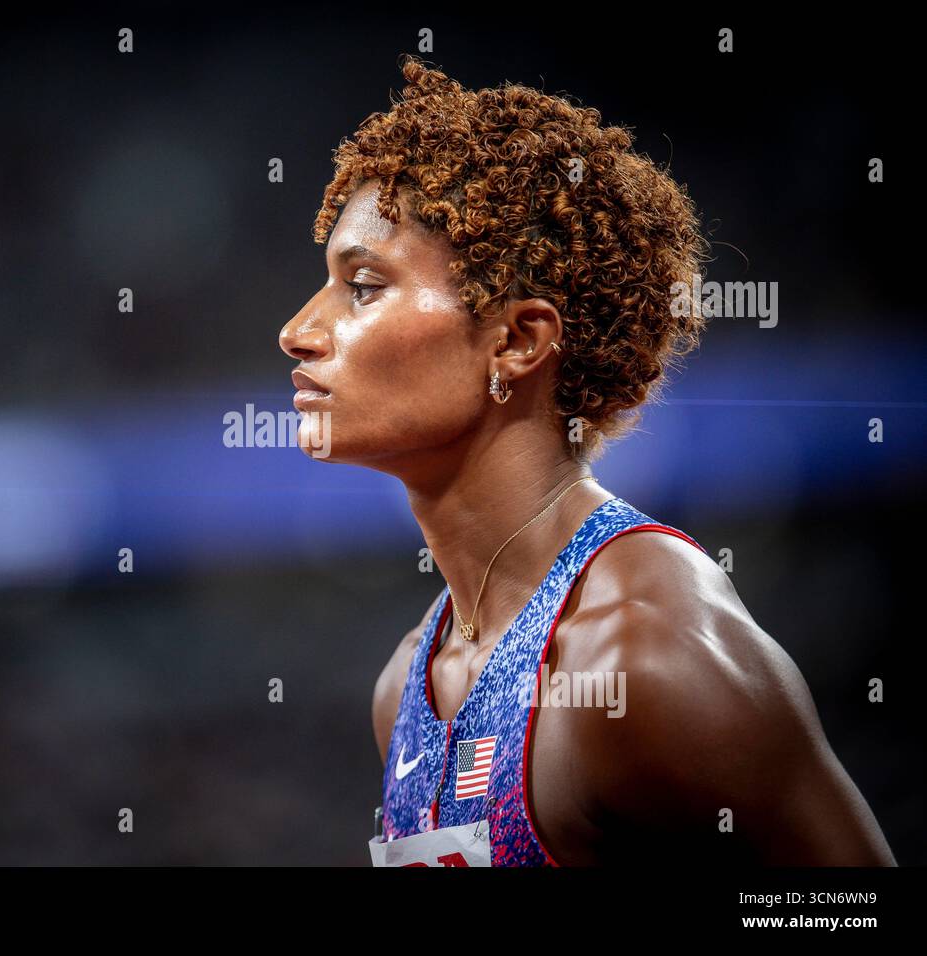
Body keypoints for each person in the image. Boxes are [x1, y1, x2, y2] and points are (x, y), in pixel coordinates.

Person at [277, 55, 895, 866]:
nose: (298, 329)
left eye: (362, 286)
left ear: (518, 340)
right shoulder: (406, 689)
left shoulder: (647, 653)